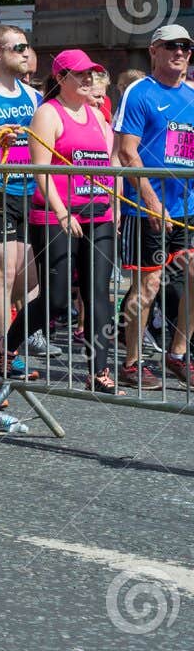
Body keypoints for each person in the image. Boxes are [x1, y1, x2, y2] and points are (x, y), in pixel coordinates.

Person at [22, 50, 118, 393]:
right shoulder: (49, 113)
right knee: (57, 299)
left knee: (99, 294)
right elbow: (41, 170)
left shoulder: (97, 116)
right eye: (81, 75)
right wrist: (62, 211)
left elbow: (110, 163)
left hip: (99, 213)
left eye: (92, 74)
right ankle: (5, 346)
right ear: (62, 78)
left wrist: (115, 206)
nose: (89, 80)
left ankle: (99, 370)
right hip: (54, 215)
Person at [114, 23, 194, 390]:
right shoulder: (140, 92)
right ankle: (132, 363)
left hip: (186, 205)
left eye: (185, 47)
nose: (179, 52)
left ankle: (177, 354)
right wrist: (150, 201)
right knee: (147, 286)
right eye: (171, 46)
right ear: (154, 51)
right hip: (147, 208)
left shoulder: (191, 95)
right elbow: (127, 153)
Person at [0, 25, 43, 375]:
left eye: (27, 46)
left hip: (30, 191)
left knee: (31, 279)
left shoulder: (33, 97)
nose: (25, 52)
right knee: (3, 273)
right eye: (17, 47)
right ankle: (4, 352)